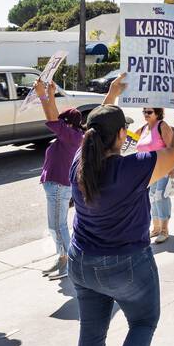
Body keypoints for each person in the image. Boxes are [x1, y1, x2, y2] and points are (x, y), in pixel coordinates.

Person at [69, 75, 174, 346]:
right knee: (143, 323)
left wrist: (112, 96)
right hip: (126, 265)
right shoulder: (131, 169)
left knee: (92, 334)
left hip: (82, 264)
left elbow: (94, 130)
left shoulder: (78, 163)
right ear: (122, 136)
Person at [35, 75, 121, 278]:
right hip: (57, 187)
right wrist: (49, 94)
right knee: (56, 226)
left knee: (58, 226)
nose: (57, 128)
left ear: (67, 124)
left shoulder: (71, 137)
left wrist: (44, 97)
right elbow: (57, 118)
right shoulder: (75, 136)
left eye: (61, 124)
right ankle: (62, 258)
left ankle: (67, 264)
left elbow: (51, 117)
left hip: (58, 187)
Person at [132, 107, 174, 243]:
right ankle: (156, 227)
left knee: (160, 195)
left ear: (158, 113)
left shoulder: (162, 126)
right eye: (144, 112)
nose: (146, 114)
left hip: (164, 166)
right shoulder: (144, 128)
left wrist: (172, 168)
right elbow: (130, 142)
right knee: (152, 197)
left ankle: (164, 230)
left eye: (149, 112)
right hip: (149, 169)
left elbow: (172, 147)